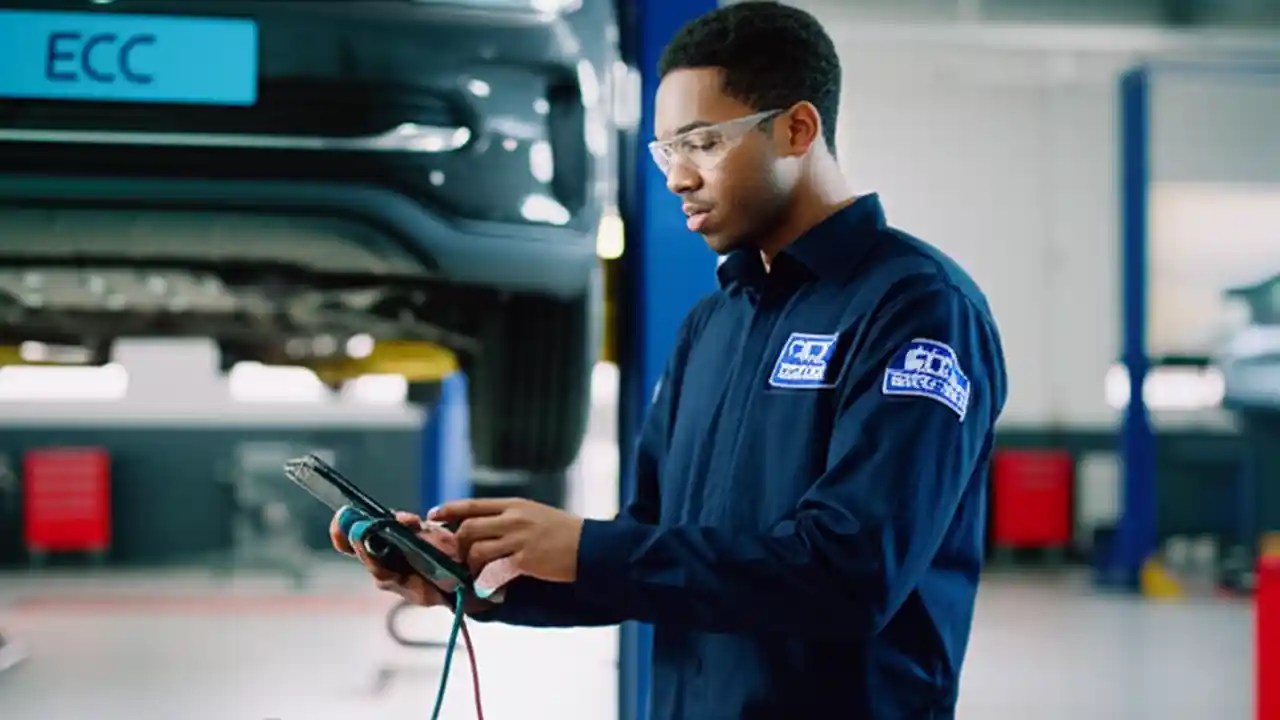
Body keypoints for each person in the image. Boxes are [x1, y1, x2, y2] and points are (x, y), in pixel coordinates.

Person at [332, 2, 1008, 717]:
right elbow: (654, 558)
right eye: (666, 152)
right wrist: (479, 578)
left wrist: (589, 549)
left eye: (703, 143)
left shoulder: (917, 310)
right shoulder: (713, 325)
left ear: (797, 129)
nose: (678, 176)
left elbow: (852, 574)